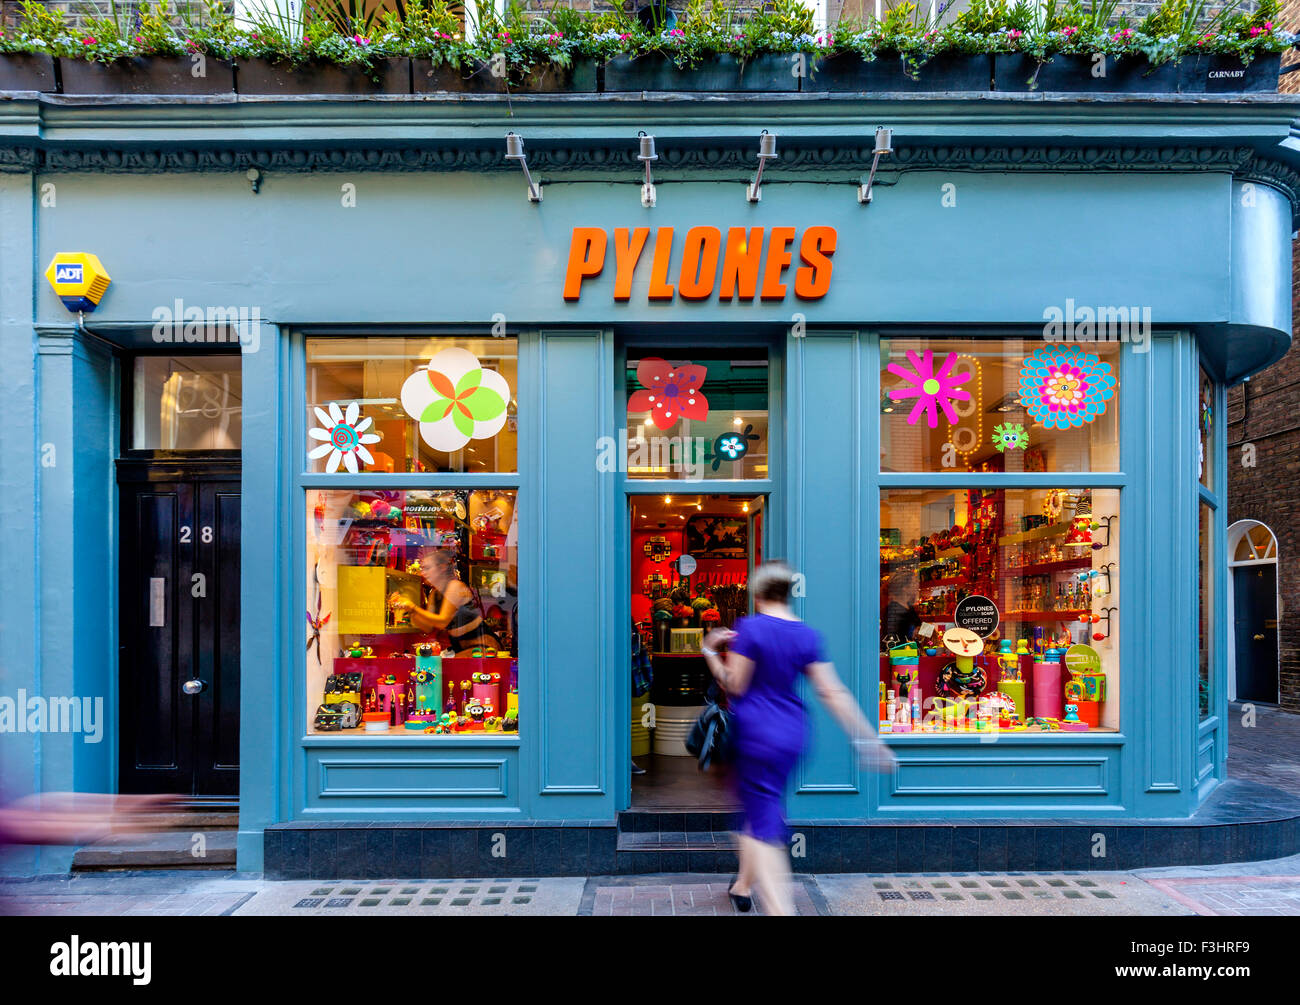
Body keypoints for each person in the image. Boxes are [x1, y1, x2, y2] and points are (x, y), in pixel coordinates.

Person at [702, 561, 895, 916]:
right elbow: (832, 691)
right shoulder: (807, 635)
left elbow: (735, 684)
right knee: (762, 807)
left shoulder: (752, 628)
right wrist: (868, 739)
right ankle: (743, 886)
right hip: (792, 733)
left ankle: (780, 908)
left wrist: (711, 652)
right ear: (788, 593)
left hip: (755, 734)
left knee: (763, 822)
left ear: (757, 595)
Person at [390, 545, 502, 655]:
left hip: (483, 647)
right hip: (463, 648)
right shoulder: (434, 593)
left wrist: (413, 607)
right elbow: (427, 627)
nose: (423, 573)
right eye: (422, 569)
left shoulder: (455, 586)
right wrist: (410, 611)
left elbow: (443, 621)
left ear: (442, 567)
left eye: (427, 568)